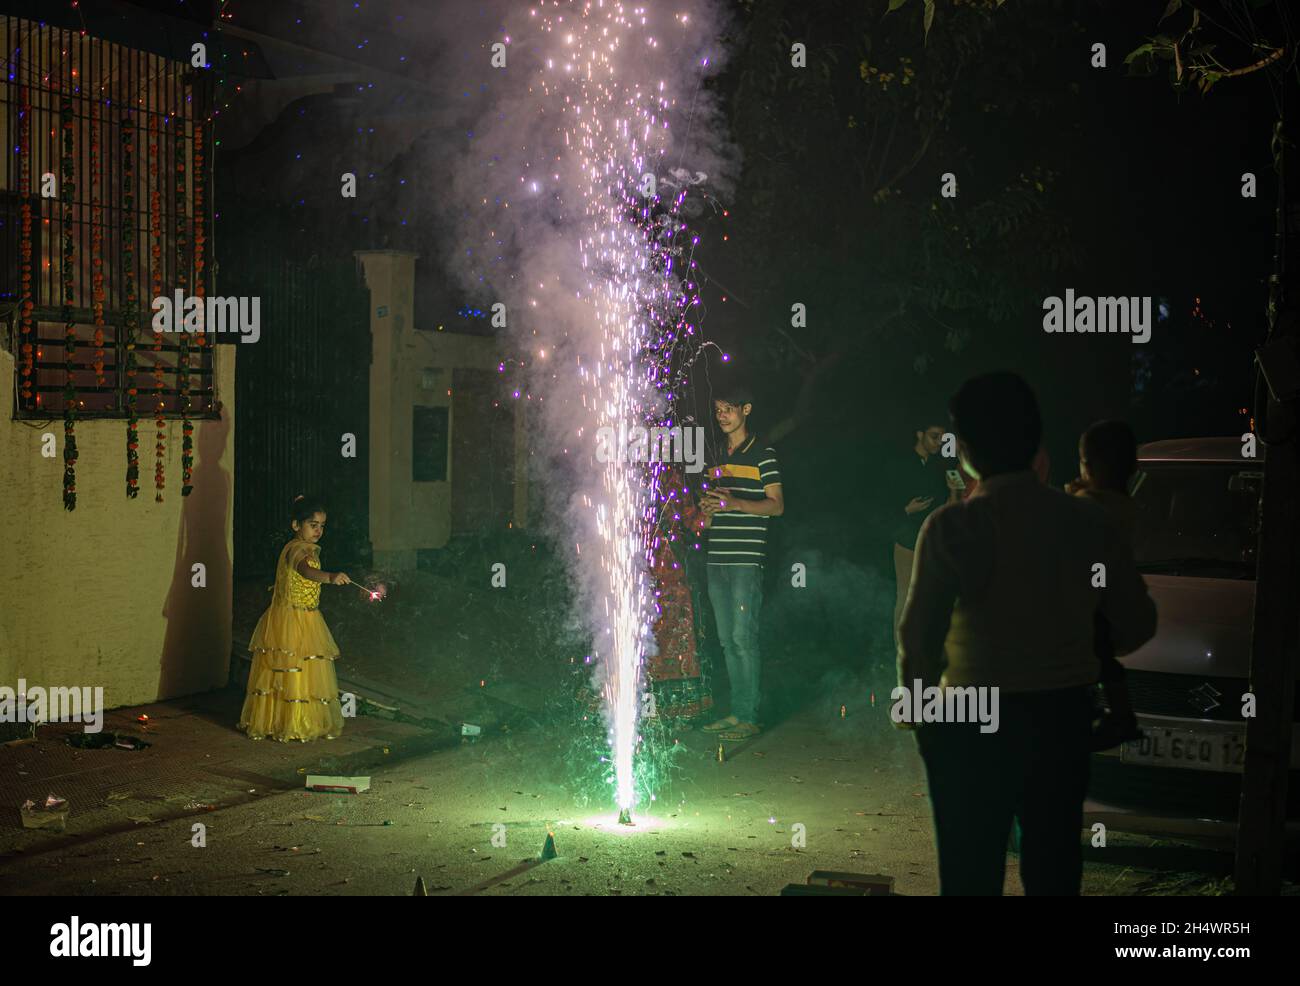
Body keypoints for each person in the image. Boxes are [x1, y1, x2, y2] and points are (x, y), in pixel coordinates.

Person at [898, 372, 1156, 895]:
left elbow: (918, 636)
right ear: (1037, 444)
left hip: (969, 717)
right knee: (1053, 867)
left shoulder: (953, 527)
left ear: (966, 450)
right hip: (1061, 718)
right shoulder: (1088, 523)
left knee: (970, 870)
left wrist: (923, 714)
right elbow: (1134, 623)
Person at [699, 385, 783, 741]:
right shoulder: (715, 455)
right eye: (718, 409)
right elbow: (710, 509)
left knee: (742, 637)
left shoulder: (764, 454)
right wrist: (705, 512)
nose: (723, 415)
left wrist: (736, 505)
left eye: (729, 409)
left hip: (746, 560)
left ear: (746, 410)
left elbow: (776, 505)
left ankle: (750, 716)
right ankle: (737, 712)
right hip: (716, 558)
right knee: (725, 639)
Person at [239, 495, 352, 742]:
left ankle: (304, 720)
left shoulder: (308, 548)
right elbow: (306, 571)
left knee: (308, 669)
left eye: (322, 525)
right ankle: (289, 723)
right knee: (292, 669)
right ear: (296, 525)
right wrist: (330, 577)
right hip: (291, 619)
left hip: (309, 617)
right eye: (313, 524)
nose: (319, 530)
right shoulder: (296, 549)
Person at [1065, 420, 1143, 750]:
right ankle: (1119, 713)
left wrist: (1074, 493)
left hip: (1095, 593)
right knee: (1105, 657)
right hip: (1111, 591)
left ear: (1090, 465)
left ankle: (1117, 715)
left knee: (1095, 646)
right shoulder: (1125, 502)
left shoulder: (1094, 505)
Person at [646, 467, 714, 722]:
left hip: (670, 571)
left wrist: (718, 510)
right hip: (635, 571)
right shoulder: (618, 469)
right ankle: (641, 711)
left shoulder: (671, 476)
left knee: (674, 638)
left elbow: (693, 520)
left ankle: (673, 710)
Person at [892, 421, 961, 646]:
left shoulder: (937, 466)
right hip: (907, 540)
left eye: (941, 438)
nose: (938, 442)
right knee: (906, 596)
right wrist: (904, 509)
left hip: (933, 541)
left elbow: (950, 506)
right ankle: (901, 648)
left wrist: (953, 488)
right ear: (920, 434)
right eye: (933, 437)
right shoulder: (901, 462)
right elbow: (880, 501)